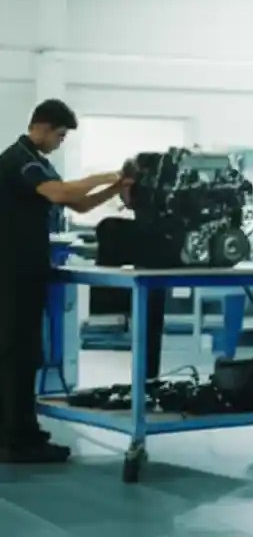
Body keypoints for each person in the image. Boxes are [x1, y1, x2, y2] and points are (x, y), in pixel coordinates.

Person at [0, 99, 131, 463]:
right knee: (17, 355)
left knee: (25, 354)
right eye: (59, 135)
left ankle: (21, 431)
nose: (60, 142)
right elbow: (61, 193)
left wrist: (117, 187)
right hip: (12, 270)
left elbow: (79, 205)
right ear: (40, 127)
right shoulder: (19, 159)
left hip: (27, 269)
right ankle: (16, 440)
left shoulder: (39, 163)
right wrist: (106, 176)